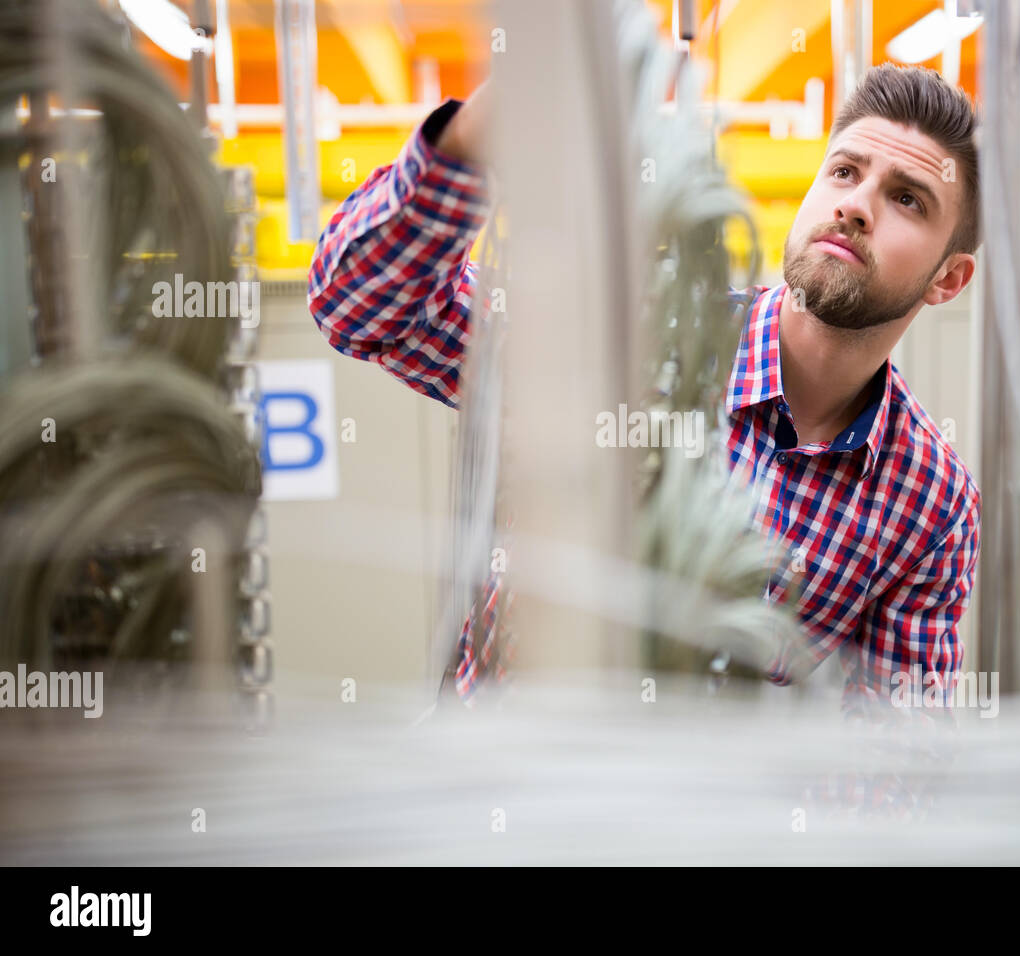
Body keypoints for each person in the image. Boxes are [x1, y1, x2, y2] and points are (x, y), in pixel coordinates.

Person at [308, 63, 982, 717]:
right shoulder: (630, 334)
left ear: (948, 279)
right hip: (506, 802)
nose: (856, 206)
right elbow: (362, 308)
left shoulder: (933, 499)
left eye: (906, 199)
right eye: (844, 171)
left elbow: (896, 754)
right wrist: (469, 143)